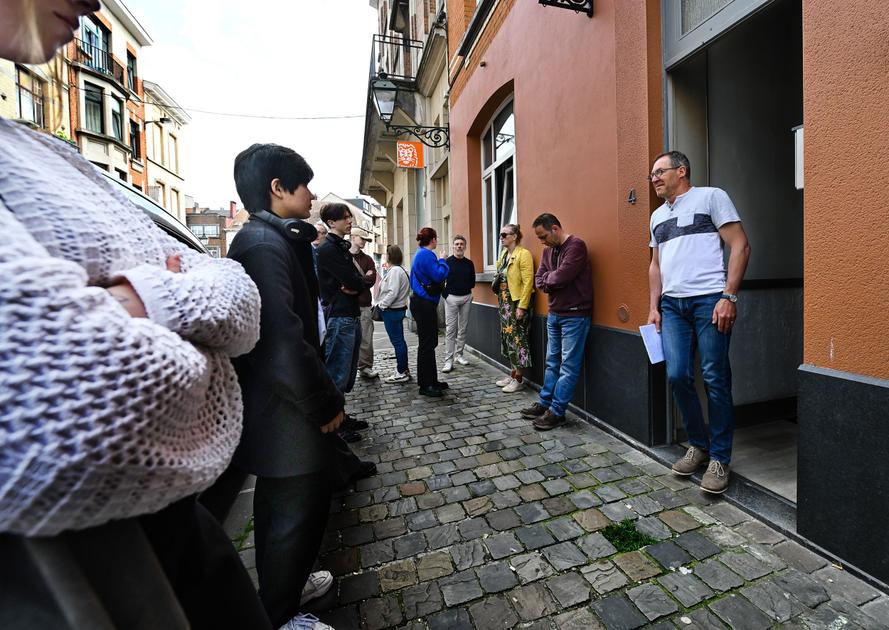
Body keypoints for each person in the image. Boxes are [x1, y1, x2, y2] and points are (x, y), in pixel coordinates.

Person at [0, 2, 273, 628]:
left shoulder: (50, 155)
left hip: (180, 541)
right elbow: (67, 410)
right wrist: (192, 328)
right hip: (88, 576)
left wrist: (141, 302)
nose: (96, 4)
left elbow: (239, 295)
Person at [228, 144, 346, 629]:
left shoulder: (277, 239)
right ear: (278, 189)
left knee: (299, 509)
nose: (313, 194)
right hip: (285, 414)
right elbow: (280, 339)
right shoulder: (262, 244)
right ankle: (280, 614)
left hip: (290, 410)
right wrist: (322, 402)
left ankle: (289, 589)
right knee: (289, 518)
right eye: (304, 186)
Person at [646, 150, 750, 494]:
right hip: (672, 307)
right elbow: (655, 265)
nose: (655, 178)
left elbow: (740, 245)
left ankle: (720, 458)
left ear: (682, 170)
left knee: (715, 377)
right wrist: (654, 306)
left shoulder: (711, 197)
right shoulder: (657, 216)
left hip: (709, 300)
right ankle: (698, 444)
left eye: (660, 171)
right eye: (652, 175)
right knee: (677, 374)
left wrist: (728, 296)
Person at [520, 213, 593, 430]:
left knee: (568, 366)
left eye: (543, 236)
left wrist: (550, 280)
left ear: (555, 228)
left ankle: (557, 411)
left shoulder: (576, 246)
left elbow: (561, 277)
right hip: (555, 314)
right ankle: (544, 403)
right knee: (552, 361)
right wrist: (551, 280)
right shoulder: (547, 251)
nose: (541, 241)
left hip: (575, 315)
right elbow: (540, 279)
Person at [316, 202, 371, 439]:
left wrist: (357, 283)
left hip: (349, 313)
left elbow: (357, 281)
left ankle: (342, 416)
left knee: (347, 373)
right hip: (340, 316)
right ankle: (336, 427)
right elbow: (354, 279)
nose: (350, 221)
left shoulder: (339, 246)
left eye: (350, 217)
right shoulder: (329, 248)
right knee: (338, 373)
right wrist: (358, 282)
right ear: (331, 223)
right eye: (346, 218)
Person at [493, 224, 534, 393]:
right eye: (500, 234)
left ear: (515, 236)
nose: (501, 237)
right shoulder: (504, 255)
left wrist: (522, 306)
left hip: (516, 303)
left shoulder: (523, 254)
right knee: (508, 338)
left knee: (518, 340)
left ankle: (519, 379)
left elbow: (528, 282)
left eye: (504, 234)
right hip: (504, 303)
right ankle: (513, 374)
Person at [410, 227, 450, 397]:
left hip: (422, 303)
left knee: (429, 343)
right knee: (427, 344)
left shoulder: (420, 253)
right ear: (432, 239)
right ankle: (426, 385)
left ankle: (431, 381)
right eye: (436, 238)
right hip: (424, 303)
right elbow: (439, 275)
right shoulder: (426, 255)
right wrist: (442, 260)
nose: (437, 241)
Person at [377, 244, 412, 383]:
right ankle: (404, 369)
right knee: (400, 341)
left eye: (386, 253)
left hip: (392, 311)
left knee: (397, 342)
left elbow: (393, 292)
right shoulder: (398, 270)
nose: (385, 255)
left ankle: (401, 371)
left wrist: (381, 305)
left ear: (390, 256)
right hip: (397, 310)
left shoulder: (395, 271)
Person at [442, 235, 476, 373]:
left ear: (465, 247)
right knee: (451, 330)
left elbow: (472, 281)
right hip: (451, 299)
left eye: (462, 244)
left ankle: (459, 355)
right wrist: (446, 296)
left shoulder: (469, 263)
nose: (459, 246)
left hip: (466, 297)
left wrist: (468, 293)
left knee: (463, 328)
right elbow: (439, 281)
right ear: (453, 247)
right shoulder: (447, 262)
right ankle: (448, 360)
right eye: (456, 244)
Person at [351, 232, 379, 379]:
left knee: (366, 338)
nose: (365, 242)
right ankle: (348, 368)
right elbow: (342, 279)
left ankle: (365, 367)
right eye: (362, 239)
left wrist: (354, 281)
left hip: (364, 303)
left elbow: (372, 279)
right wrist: (362, 279)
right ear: (353, 237)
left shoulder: (368, 259)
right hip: (346, 305)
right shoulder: (343, 256)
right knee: (347, 338)